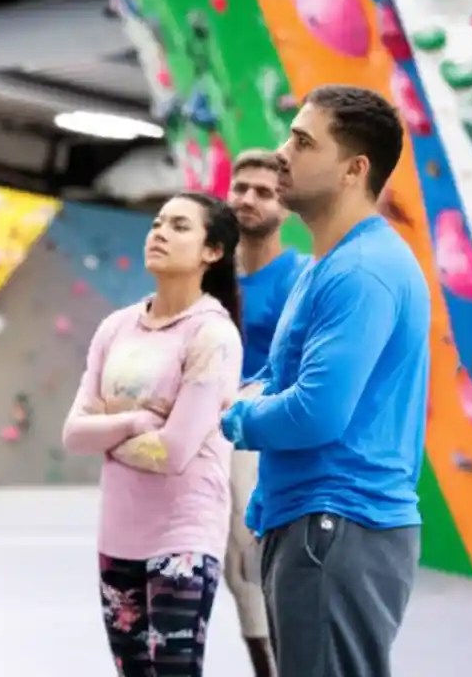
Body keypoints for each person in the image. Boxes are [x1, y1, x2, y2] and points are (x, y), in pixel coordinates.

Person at [219, 85, 428, 677]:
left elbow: (317, 411)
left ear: (353, 170)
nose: (283, 152)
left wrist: (233, 417)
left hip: (335, 525)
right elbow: (284, 375)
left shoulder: (362, 271)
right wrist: (250, 390)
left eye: (303, 142)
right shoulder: (330, 264)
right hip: (314, 522)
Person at [61, 192, 244, 677]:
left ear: (213, 251)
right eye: (158, 223)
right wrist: (133, 423)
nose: (159, 232)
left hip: (185, 534)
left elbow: (175, 451)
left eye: (179, 226)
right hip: (119, 533)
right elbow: (73, 433)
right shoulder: (115, 328)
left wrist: (107, 436)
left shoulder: (212, 335)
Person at [226, 149, 311, 677]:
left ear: (286, 202)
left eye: (263, 190)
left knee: (264, 567)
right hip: (207, 441)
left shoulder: (302, 277)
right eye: (241, 188)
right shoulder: (212, 276)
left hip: (265, 443)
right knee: (237, 574)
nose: (249, 199)